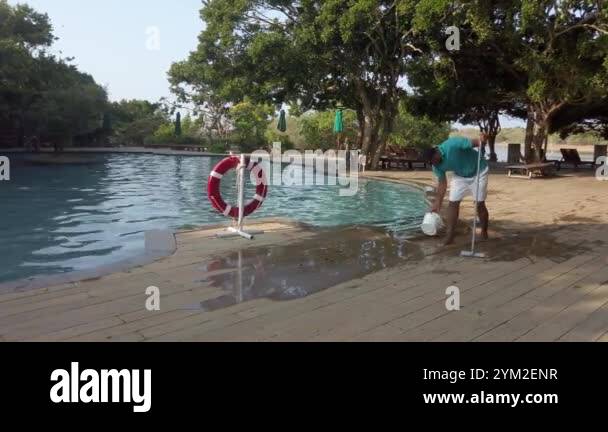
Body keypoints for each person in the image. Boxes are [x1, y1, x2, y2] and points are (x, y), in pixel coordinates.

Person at [423, 134, 490, 246]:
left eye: (433, 161)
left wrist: (482, 140)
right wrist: (437, 202)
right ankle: (450, 236)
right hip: (460, 176)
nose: (433, 164)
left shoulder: (452, 144)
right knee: (453, 203)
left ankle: (484, 231)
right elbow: (442, 183)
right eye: (430, 163)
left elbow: (474, 142)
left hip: (479, 171)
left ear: (436, 152)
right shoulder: (436, 165)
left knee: (479, 204)